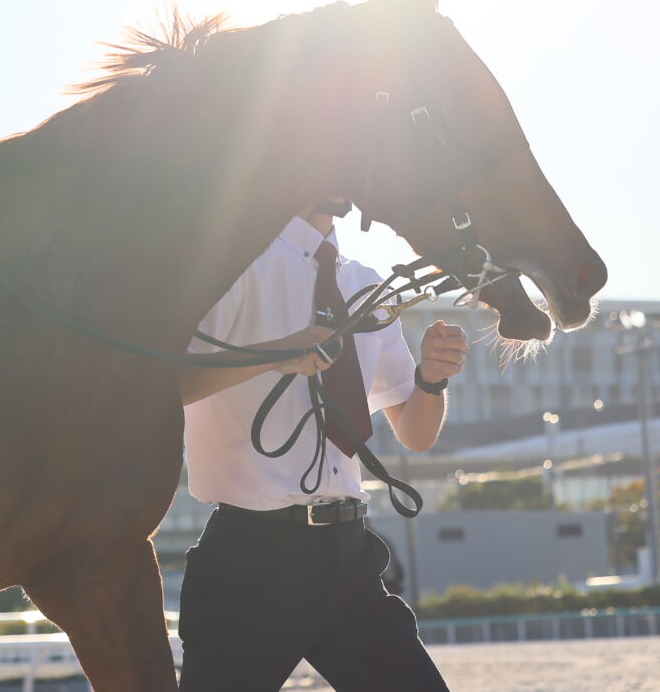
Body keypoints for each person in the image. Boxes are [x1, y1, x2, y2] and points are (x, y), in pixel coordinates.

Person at [174, 201, 470, 692]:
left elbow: (416, 434)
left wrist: (432, 378)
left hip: (349, 558)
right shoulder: (233, 269)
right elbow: (170, 383)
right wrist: (276, 355)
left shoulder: (367, 284)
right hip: (250, 560)